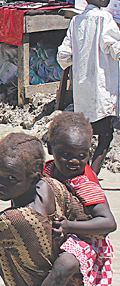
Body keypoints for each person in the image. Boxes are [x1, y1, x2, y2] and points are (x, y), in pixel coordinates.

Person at [0, 132, 90, 286]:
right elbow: (84, 219)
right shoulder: (53, 186)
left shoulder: (12, 221)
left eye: (11, 178)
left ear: (34, 178)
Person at [41, 112, 116, 286]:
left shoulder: (84, 184)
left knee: (65, 264)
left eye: (82, 156)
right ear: (50, 149)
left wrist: (69, 226)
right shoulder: (47, 170)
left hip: (86, 241)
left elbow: (109, 223)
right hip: (59, 235)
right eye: (66, 154)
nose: (74, 161)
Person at [57, 0, 120, 176]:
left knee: (87, 134)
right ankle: (90, 178)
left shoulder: (76, 21)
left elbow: (63, 55)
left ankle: (78, 173)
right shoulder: (105, 19)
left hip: (82, 90)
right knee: (106, 136)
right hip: (101, 88)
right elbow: (113, 46)